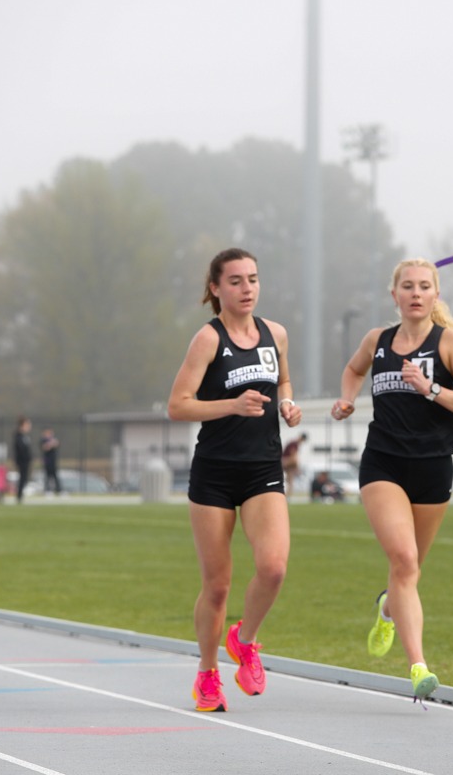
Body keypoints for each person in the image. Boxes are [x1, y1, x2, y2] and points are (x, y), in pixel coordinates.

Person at [330, 257, 453, 702]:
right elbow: (354, 369)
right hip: (384, 464)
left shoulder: (450, 343)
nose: (416, 294)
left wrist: (430, 388)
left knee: (410, 570)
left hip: (434, 467)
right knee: (404, 561)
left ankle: (387, 607)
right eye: (407, 287)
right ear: (393, 295)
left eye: (424, 286)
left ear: (435, 295)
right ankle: (418, 667)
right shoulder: (377, 340)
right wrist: (346, 400)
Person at [168, 247, 302, 713]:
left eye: (253, 279)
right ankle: (207, 674)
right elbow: (178, 405)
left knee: (274, 567)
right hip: (215, 473)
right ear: (216, 288)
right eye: (237, 281)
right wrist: (231, 405)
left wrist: (287, 403)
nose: (247, 289)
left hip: (263, 467)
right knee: (218, 585)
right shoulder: (207, 340)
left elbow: (283, 381)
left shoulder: (276, 334)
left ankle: (244, 641)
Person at [12, 416, 33, 504]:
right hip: (22, 461)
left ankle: (20, 495)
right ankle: (19, 496)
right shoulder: (18, 436)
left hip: (26, 461)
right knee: (22, 478)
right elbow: (20, 450)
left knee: (24, 479)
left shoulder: (24, 436)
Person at [281, 433, 308, 497]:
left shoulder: (295, 444)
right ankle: (286, 495)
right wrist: (297, 467)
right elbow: (293, 456)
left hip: (287, 465)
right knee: (289, 482)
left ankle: (287, 496)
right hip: (285, 462)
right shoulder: (294, 444)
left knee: (290, 482)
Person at [41, 428, 62, 496]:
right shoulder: (43, 440)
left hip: (53, 461)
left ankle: (59, 490)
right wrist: (50, 444)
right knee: (47, 476)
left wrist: (52, 443)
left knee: (55, 475)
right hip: (47, 460)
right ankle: (47, 490)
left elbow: (57, 444)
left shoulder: (53, 440)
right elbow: (45, 447)